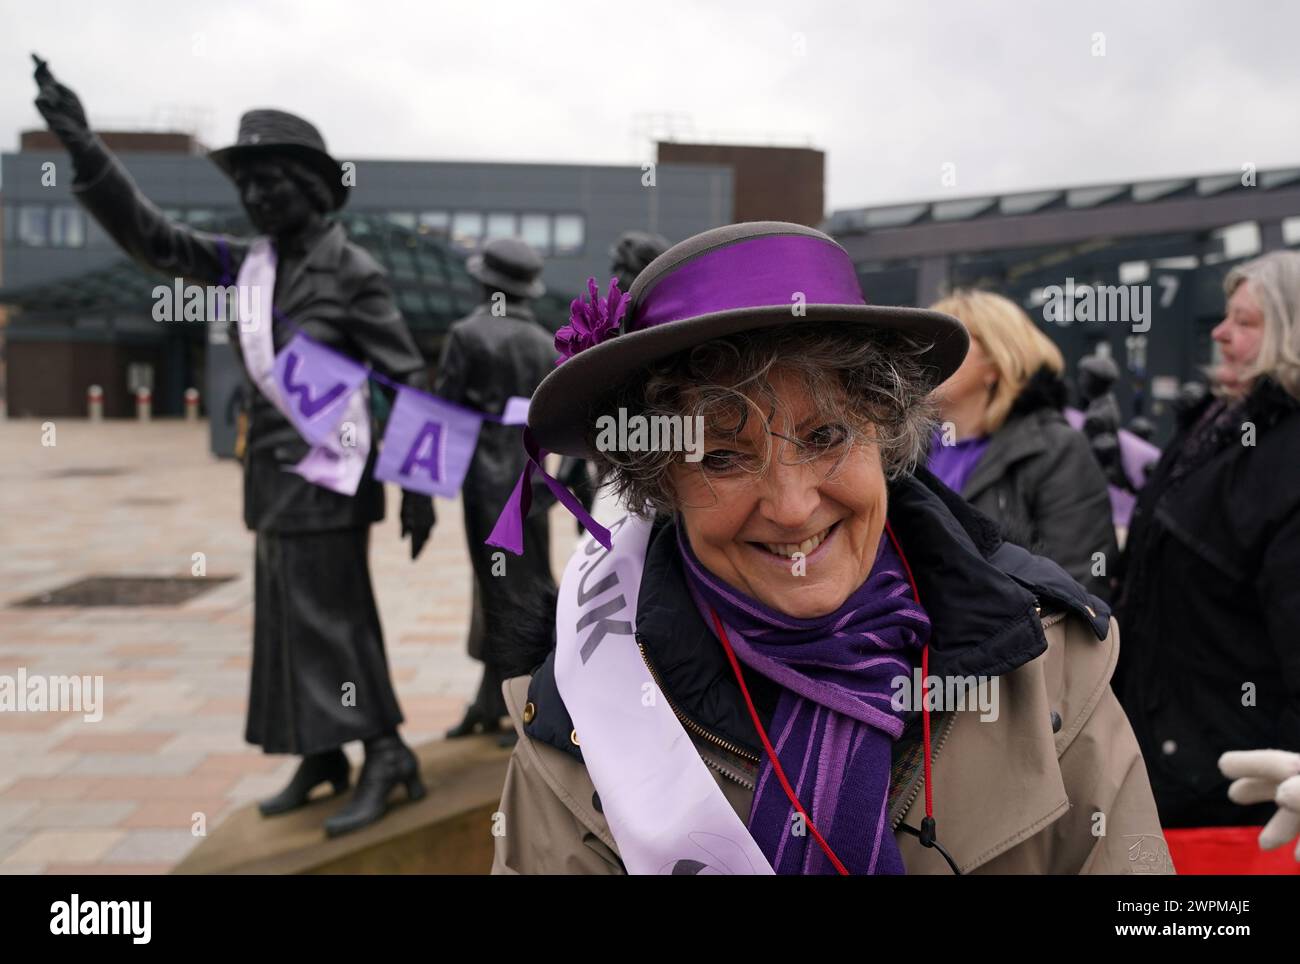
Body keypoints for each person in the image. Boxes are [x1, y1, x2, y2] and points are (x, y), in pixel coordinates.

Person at [489, 222, 1167, 875]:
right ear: (659, 479)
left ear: (888, 432)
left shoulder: (1049, 665)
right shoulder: (580, 720)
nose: (791, 507)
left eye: (826, 438)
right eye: (723, 457)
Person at [33, 57, 434, 837]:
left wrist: (418, 487)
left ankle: (386, 753)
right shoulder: (249, 267)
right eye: (244, 185)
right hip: (271, 482)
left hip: (332, 477)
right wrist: (83, 146)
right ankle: (323, 751)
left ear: (310, 184)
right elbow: (155, 239)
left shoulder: (353, 269)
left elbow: (406, 372)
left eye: (268, 182)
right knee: (285, 622)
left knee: (333, 619)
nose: (252, 198)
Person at [1116, 251, 1300, 869]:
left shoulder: (1284, 453)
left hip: (1242, 798)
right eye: (1226, 317)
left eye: (1246, 322)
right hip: (1173, 774)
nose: (1220, 332)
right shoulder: (1214, 427)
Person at [438, 238, 556, 743]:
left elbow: (443, 413)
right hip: (532, 483)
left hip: (486, 483)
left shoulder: (466, 335)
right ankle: (493, 696)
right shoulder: (547, 343)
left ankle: (523, 700)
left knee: (500, 587)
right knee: (520, 583)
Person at [926, 290, 1117, 600]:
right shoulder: (903, 448)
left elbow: (1078, 584)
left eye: (950, 339)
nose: (929, 352)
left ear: (998, 361)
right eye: (926, 341)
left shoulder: (1056, 449)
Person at [556, 230, 672, 533]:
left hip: (664, 467)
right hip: (612, 469)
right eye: (615, 270)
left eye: (627, 270)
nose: (618, 279)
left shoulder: (675, 332)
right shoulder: (608, 332)